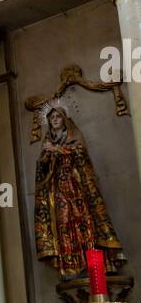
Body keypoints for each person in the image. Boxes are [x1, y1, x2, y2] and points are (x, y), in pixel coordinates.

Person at [34, 106, 122, 276]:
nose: (54, 119)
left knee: (84, 221)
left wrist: (57, 150)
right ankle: (71, 265)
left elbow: (80, 154)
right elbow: (42, 169)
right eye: (51, 117)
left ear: (64, 119)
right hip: (58, 191)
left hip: (76, 188)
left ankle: (94, 266)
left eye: (58, 116)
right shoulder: (48, 141)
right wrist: (45, 156)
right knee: (63, 224)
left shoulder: (73, 137)